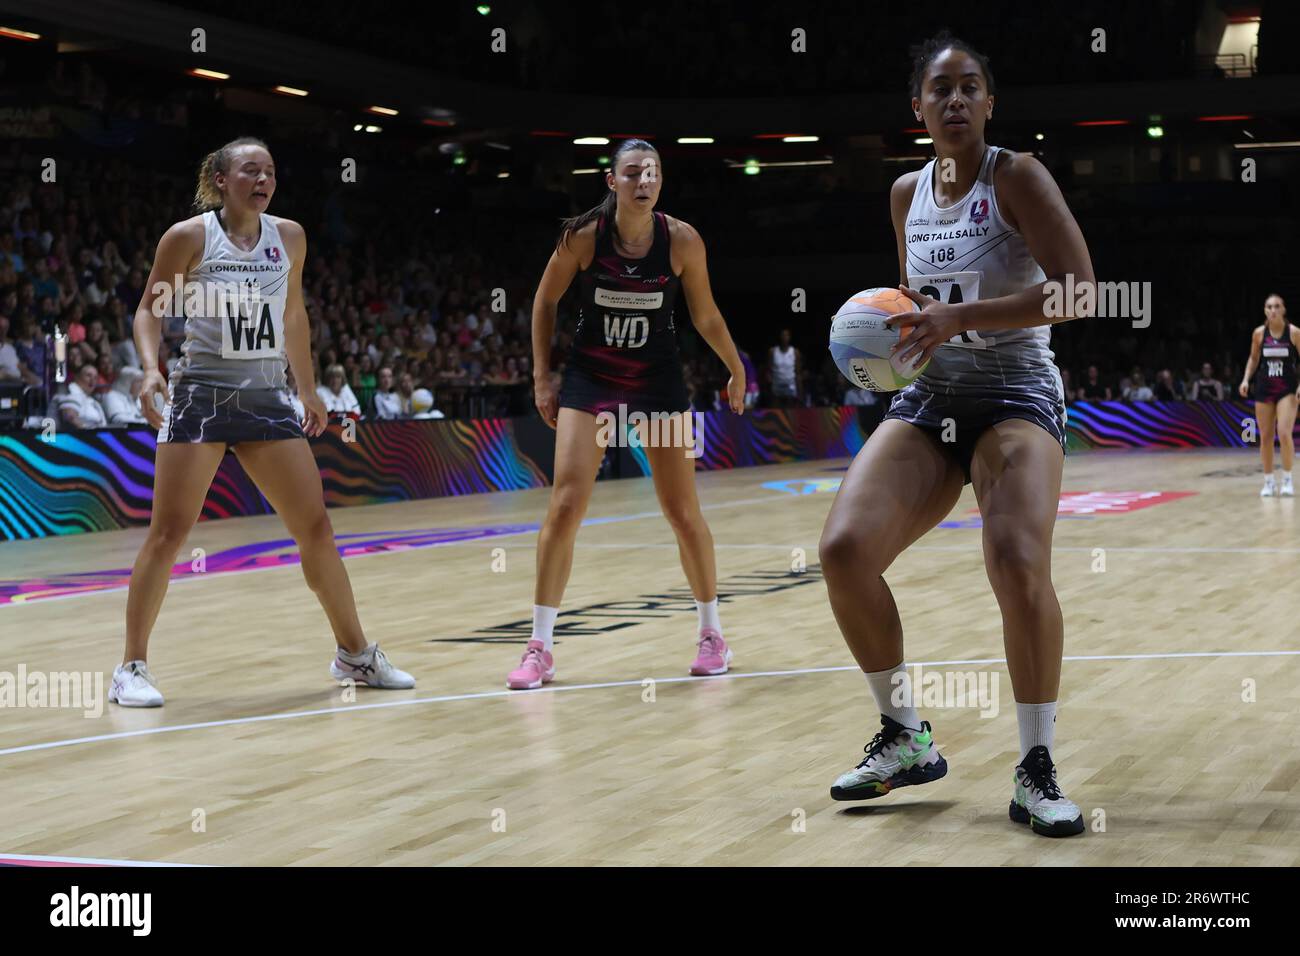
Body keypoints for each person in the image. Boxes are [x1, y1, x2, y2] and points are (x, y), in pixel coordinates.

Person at [819, 33, 1093, 837]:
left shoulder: (1019, 176)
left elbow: (1079, 293)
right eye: (941, 90)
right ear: (918, 109)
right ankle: (905, 736)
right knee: (843, 552)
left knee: (1014, 558)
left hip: (1016, 393)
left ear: (990, 103)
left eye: (971, 87)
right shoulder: (907, 193)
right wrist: (877, 342)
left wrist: (958, 319)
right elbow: (913, 307)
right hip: (933, 398)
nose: (956, 101)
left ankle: (1037, 765)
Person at [112, 136, 413, 708]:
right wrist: (150, 371)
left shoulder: (290, 237)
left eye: (270, 171)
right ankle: (130, 666)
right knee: (169, 533)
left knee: (316, 528)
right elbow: (150, 309)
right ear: (221, 180)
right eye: (250, 170)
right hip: (202, 394)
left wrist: (308, 387)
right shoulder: (189, 237)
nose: (263, 180)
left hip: (266, 396)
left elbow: (293, 312)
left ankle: (355, 653)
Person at [508, 138, 746, 690]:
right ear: (612, 182)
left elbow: (705, 316)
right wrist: (542, 376)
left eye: (654, 173)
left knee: (682, 511)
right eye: (634, 172)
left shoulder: (682, 241)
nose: (645, 181)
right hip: (590, 381)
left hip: (657, 382)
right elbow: (545, 302)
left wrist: (735, 367)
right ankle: (539, 645)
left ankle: (712, 634)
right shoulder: (584, 237)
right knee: (566, 503)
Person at [1238, 293, 1299, 497]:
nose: (1273, 310)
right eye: (1269, 307)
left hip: (1287, 389)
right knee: (1265, 437)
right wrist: (1246, 379)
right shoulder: (1258, 333)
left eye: (1277, 306)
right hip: (1264, 388)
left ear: (1283, 310)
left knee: (1283, 432)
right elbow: (1253, 359)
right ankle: (1269, 481)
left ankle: (1288, 479)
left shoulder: (1294, 333)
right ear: (1265, 310)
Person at [55, 363, 108, 428]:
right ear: (77, 377)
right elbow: (69, 417)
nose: (92, 380)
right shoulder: (72, 390)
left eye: (95, 377)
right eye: (88, 375)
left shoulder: (90, 400)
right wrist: (89, 433)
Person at [768, 328, 802, 407]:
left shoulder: (795, 352)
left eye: (786, 335)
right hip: (776, 388)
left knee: (790, 413)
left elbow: (798, 373)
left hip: (790, 387)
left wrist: (800, 392)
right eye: (783, 335)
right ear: (779, 337)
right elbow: (768, 371)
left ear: (789, 337)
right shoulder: (772, 351)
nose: (784, 337)